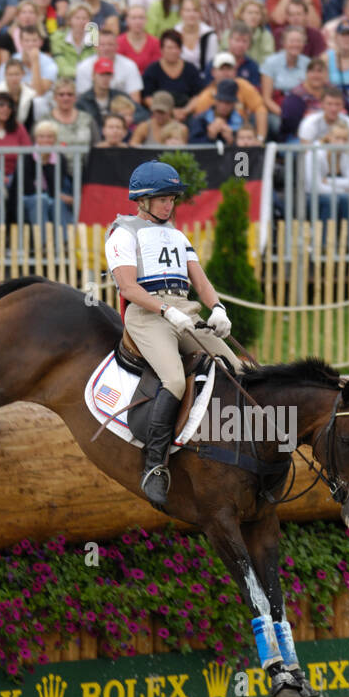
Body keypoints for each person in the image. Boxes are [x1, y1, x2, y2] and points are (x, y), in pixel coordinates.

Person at [103, 160, 242, 508]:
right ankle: (155, 466)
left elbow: (200, 280)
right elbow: (128, 288)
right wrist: (166, 311)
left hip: (185, 310)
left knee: (236, 368)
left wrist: (218, 308)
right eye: (163, 199)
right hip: (147, 316)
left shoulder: (178, 236)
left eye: (173, 199)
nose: (170, 205)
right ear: (143, 200)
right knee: (175, 380)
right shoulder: (123, 233)